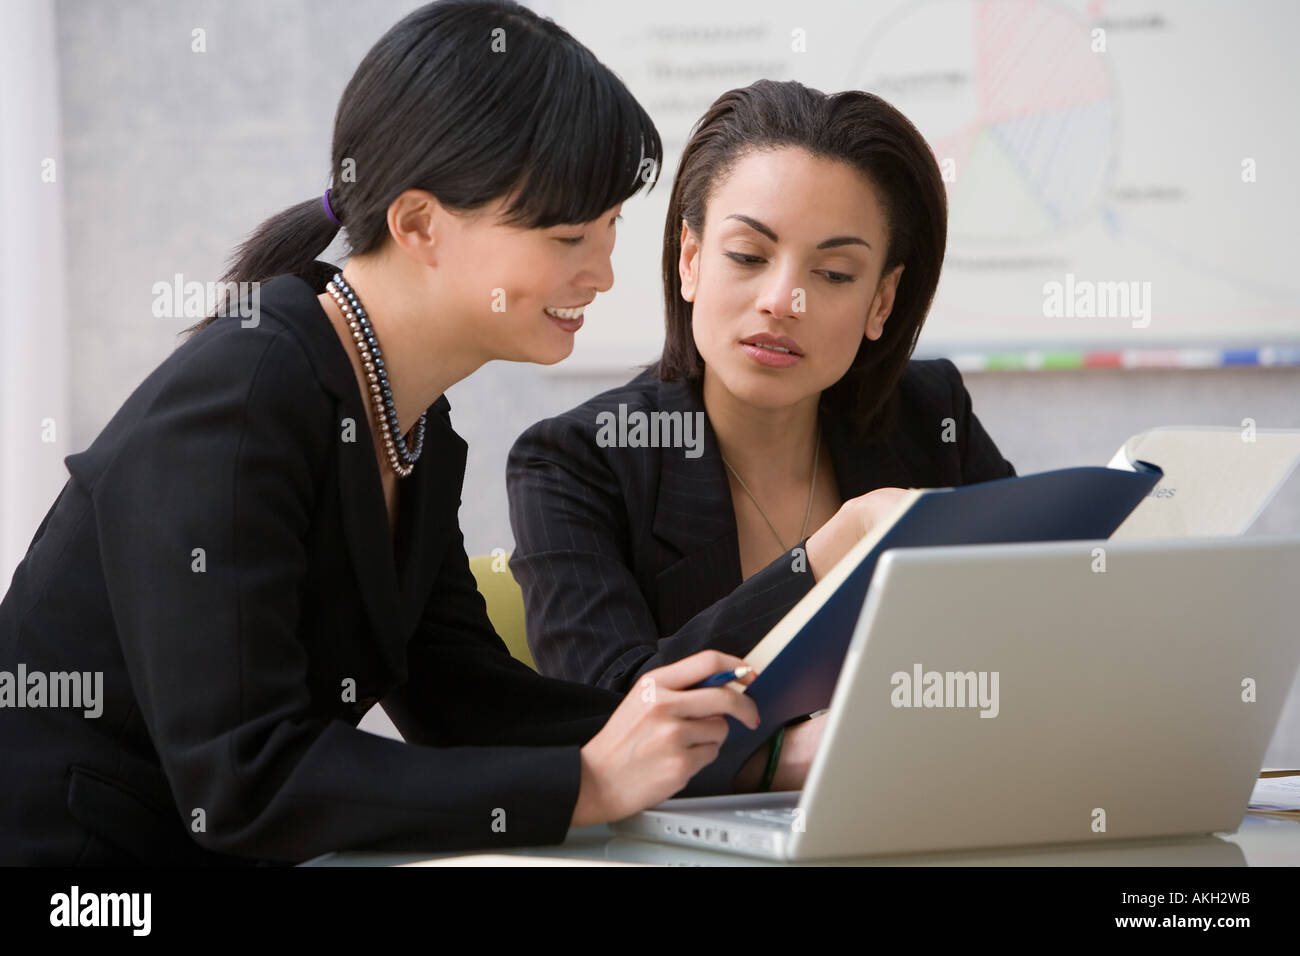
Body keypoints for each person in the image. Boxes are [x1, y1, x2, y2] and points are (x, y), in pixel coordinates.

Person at [0, 0, 778, 867]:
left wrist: (742, 753)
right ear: (418, 225)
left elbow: (464, 702)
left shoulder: (411, 420)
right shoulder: (242, 397)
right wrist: (588, 784)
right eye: (567, 237)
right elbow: (243, 784)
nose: (598, 274)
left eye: (608, 233)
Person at [507, 79, 1018, 792]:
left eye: (834, 272)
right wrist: (833, 548)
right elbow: (607, 717)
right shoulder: (577, 460)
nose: (783, 300)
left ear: (882, 301)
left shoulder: (930, 417)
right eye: (747, 256)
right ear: (690, 260)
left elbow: (1032, 630)